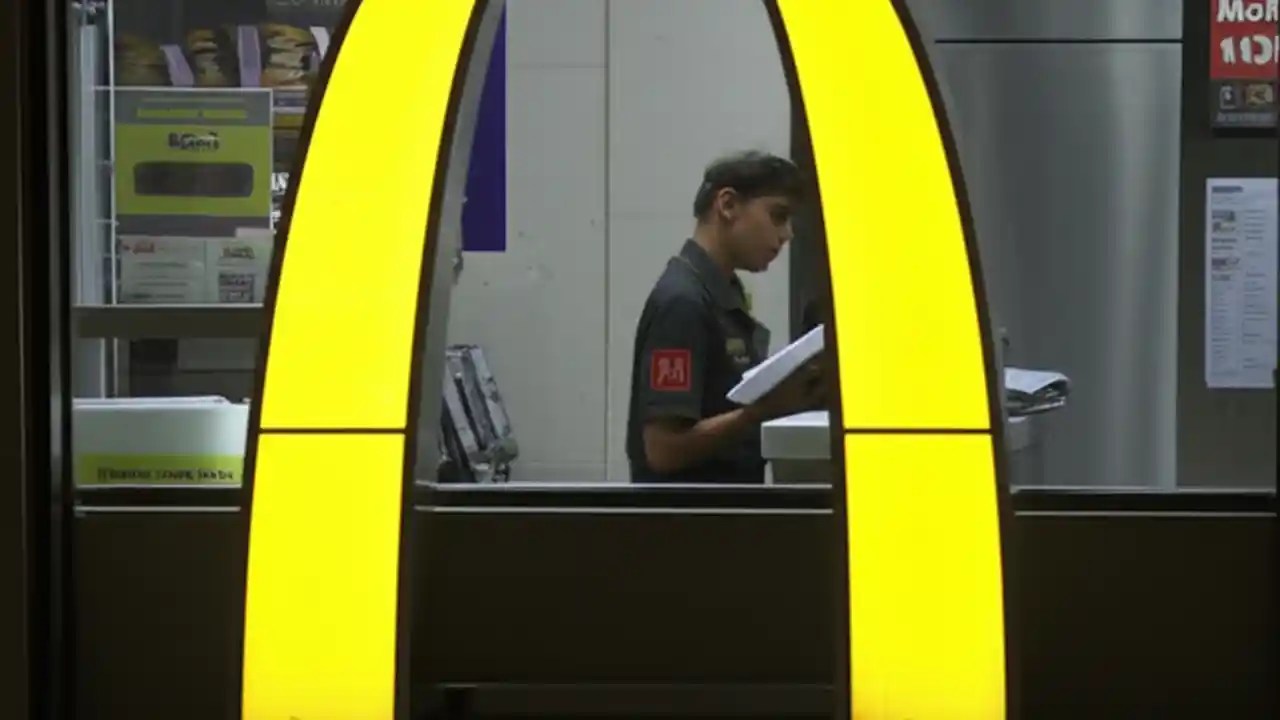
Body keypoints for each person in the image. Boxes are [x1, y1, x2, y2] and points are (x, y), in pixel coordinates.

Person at [626, 151, 826, 484]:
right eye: (778, 216)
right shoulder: (683, 302)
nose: (787, 233)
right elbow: (662, 450)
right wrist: (761, 412)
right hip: (689, 524)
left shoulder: (722, 293)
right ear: (728, 205)